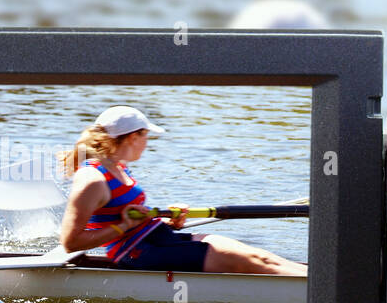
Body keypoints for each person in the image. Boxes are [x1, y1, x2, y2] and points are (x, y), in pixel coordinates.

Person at [58, 106, 306, 275]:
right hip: (138, 253)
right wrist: (123, 227)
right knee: (257, 263)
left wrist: (167, 219)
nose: (147, 144)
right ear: (133, 137)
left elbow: (124, 215)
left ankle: (322, 281)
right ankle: (323, 292)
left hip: (159, 238)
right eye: (146, 137)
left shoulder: (119, 167)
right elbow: (70, 242)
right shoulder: (92, 179)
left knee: (260, 256)